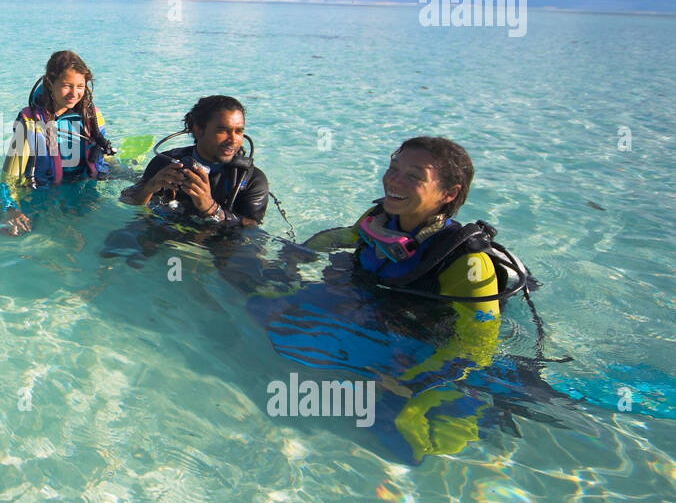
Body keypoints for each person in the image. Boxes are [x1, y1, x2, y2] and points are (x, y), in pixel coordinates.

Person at [297, 136, 536, 458]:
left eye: (414, 176)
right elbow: (348, 236)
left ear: (448, 194)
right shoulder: (381, 218)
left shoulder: (466, 264)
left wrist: (412, 383)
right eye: (393, 169)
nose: (394, 181)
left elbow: (478, 344)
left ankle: (490, 416)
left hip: (433, 345)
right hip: (384, 314)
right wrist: (297, 256)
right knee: (262, 305)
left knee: (403, 443)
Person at [0, 50, 112, 235]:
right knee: (17, 235)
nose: (74, 94)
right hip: (42, 189)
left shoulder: (93, 116)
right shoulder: (29, 122)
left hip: (83, 186)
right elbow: (9, 176)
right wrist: (11, 208)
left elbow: (98, 153)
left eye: (80, 86)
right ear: (50, 83)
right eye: (67, 86)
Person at [119, 95, 269, 229]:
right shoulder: (165, 163)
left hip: (216, 241)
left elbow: (251, 230)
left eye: (239, 131)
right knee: (114, 250)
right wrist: (149, 187)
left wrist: (210, 208)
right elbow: (126, 199)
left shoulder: (251, 179)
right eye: (223, 130)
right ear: (198, 130)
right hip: (165, 227)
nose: (233, 140)